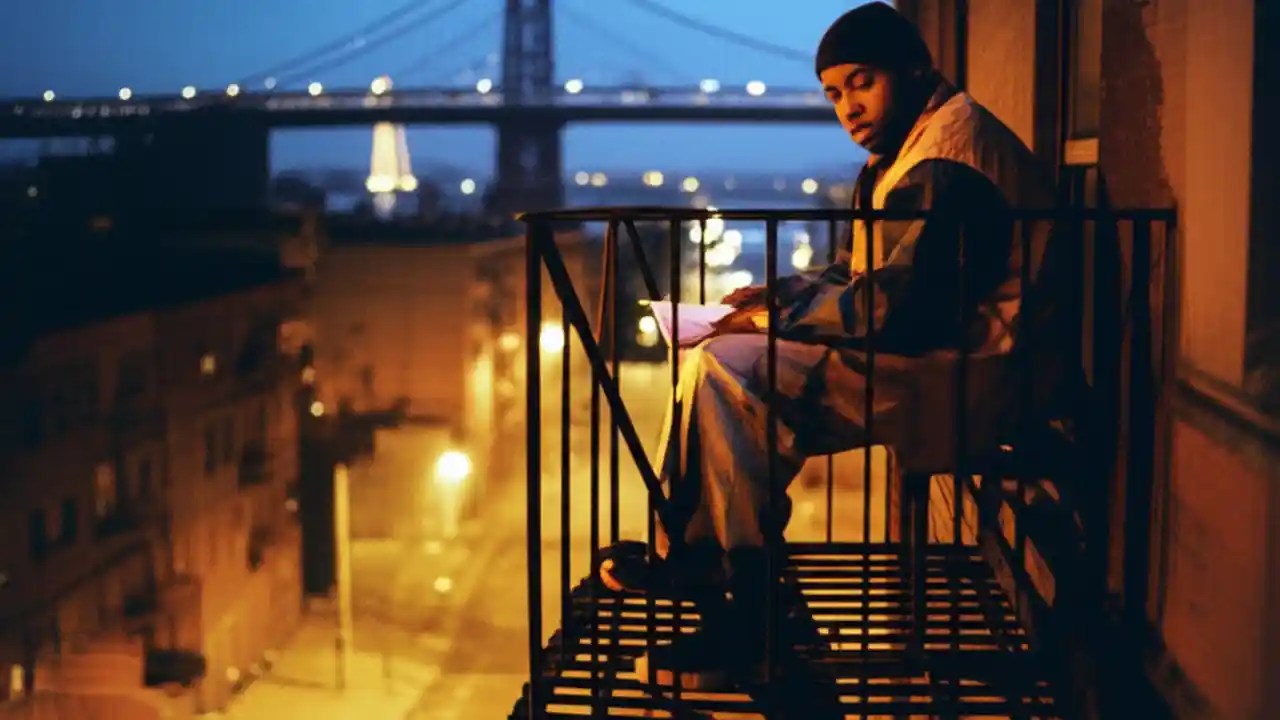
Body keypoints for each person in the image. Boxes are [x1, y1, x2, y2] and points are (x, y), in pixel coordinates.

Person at [596, 1, 1062, 708]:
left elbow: (899, 310)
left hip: (978, 372)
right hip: (938, 353)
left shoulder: (948, 161)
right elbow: (862, 276)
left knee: (731, 368)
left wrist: (773, 317)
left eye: (862, 82)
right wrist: (774, 296)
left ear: (914, 70)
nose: (848, 108)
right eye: (834, 94)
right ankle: (706, 570)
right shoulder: (908, 152)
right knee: (717, 356)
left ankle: (747, 611)